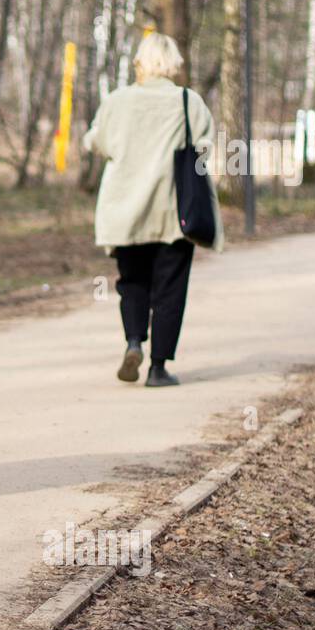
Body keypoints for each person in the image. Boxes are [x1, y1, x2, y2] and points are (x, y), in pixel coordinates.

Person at [82, 32, 222, 387]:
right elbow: (205, 146)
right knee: (170, 288)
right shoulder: (189, 102)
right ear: (173, 63)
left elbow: (96, 141)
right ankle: (158, 368)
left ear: (141, 63)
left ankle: (133, 342)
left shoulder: (117, 101)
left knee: (132, 282)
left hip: (125, 210)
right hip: (174, 212)